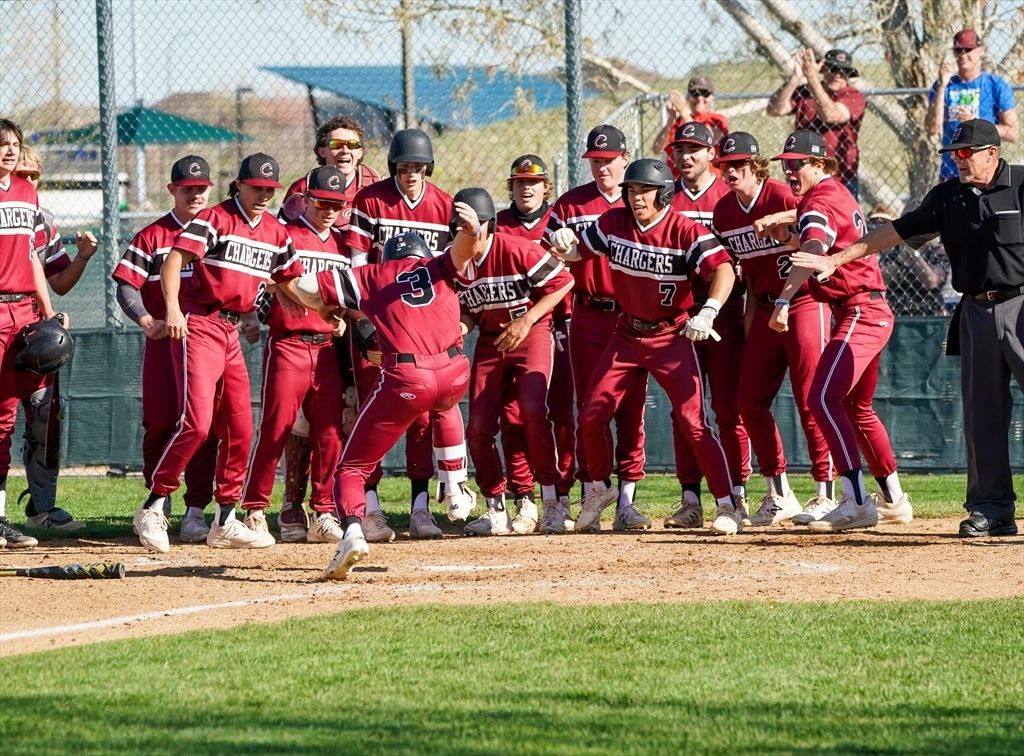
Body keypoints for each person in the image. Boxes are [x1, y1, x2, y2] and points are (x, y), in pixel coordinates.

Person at [795, 119, 1021, 537]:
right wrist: (835, 260)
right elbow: (893, 232)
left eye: (966, 153)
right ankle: (992, 509)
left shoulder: (1020, 183)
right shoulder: (948, 197)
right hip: (975, 311)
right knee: (982, 415)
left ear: (992, 153)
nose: (959, 160)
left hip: (1022, 305)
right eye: (954, 154)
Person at [551, 159, 745, 535]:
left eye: (645, 190)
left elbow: (724, 269)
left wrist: (708, 311)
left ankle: (727, 504)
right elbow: (579, 254)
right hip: (626, 334)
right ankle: (601, 490)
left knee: (693, 422)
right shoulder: (613, 222)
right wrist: (565, 246)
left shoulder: (684, 229)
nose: (636, 197)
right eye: (631, 190)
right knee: (591, 415)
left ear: (664, 194)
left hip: (671, 335)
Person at [132, 152, 305, 553]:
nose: (262, 195)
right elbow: (175, 260)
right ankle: (154, 505)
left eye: (269, 189)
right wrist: (173, 309)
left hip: (230, 330)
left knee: (241, 427)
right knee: (196, 422)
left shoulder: (277, 232)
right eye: (256, 187)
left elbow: (289, 281)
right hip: (201, 323)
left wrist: (327, 311)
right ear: (239, 185)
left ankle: (225, 519)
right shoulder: (216, 218)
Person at [293, 223, 479, 580]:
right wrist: (470, 229)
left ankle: (352, 532)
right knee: (445, 404)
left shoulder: (372, 273)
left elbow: (303, 285)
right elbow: (465, 249)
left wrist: (326, 309)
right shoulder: (438, 267)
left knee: (351, 468)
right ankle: (455, 486)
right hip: (455, 370)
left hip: (408, 375)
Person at [764, 130, 910, 532]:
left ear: (822, 166)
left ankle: (857, 501)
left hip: (860, 310)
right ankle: (893, 499)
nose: (790, 170)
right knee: (856, 408)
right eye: (785, 164)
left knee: (823, 398)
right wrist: (785, 219)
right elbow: (814, 221)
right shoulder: (838, 193)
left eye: (798, 164)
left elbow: (812, 246)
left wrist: (781, 300)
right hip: (869, 308)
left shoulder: (819, 203)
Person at [710, 131, 835, 526]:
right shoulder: (724, 213)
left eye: (740, 165)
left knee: (811, 398)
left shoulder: (782, 194)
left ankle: (827, 492)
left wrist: (782, 218)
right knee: (749, 401)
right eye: (726, 166)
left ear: (757, 166)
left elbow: (817, 217)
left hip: (803, 302)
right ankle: (779, 492)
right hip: (763, 307)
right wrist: (748, 317)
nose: (732, 172)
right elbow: (741, 272)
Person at [345, 128, 454, 538]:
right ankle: (369, 506)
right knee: (370, 418)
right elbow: (359, 270)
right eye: (404, 167)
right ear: (392, 167)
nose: (411, 174)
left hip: (423, 330)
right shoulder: (370, 200)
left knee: (422, 417)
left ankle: (419, 506)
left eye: (418, 167)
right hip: (380, 322)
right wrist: (365, 328)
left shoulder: (443, 204)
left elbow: (448, 274)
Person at [276, 115, 380, 539]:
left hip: (357, 309)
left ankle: (352, 505)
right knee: (301, 418)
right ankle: (290, 504)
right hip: (312, 310)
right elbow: (288, 251)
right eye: (335, 143)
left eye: (352, 145)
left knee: (351, 411)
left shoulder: (375, 186)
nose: (344, 151)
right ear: (321, 149)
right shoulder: (302, 189)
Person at [239, 166, 350, 544]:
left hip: (327, 350)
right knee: (276, 427)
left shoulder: (342, 242)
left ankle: (323, 510)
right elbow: (264, 275)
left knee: (330, 432)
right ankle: (254, 508)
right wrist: (287, 293)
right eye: (322, 202)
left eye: (336, 203)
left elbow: (348, 291)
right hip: (289, 344)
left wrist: (340, 317)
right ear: (305, 199)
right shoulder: (287, 234)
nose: (329, 209)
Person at [112, 156, 220, 544]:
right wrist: (144, 319)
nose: (195, 193)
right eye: (187, 188)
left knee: (205, 427)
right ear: (172, 189)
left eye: (201, 188)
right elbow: (126, 284)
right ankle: (159, 501)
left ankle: (196, 510)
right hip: (164, 342)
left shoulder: (220, 231)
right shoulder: (153, 235)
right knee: (160, 421)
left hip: (209, 340)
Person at [544, 124, 647, 532]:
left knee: (632, 408)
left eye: (609, 161)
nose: (602, 168)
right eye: (595, 162)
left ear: (625, 158)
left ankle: (628, 499)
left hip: (631, 315)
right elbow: (548, 240)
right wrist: (558, 240)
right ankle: (594, 488)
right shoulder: (572, 203)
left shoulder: (640, 202)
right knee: (590, 407)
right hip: (586, 313)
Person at [457, 187, 574, 536]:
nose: (464, 236)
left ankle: (552, 501)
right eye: (458, 229)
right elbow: (469, 315)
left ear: (488, 225)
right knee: (478, 425)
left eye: (471, 228)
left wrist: (527, 320)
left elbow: (562, 283)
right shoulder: (458, 261)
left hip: (532, 329)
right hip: (493, 340)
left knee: (533, 411)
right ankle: (498, 505)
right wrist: (455, 331)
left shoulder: (516, 248)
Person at [664, 121, 750, 525]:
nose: (686, 156)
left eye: (694, 149)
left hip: (724, 310)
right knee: (684, 411)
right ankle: (690, 498)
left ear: (711, 153)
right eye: (680, 149)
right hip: (680, 313)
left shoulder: (726, 196)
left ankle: (739, 492)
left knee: (729, 407)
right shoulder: (669, 199)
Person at [14, 144, 98, 531]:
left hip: (33, 328)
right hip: (5, 319)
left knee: (47, 413)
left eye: (34, 176)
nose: (27, 181)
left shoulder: (43, 220)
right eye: (21, 173)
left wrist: (82, 258)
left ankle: (42, 510)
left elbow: (58, 281)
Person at [493, 154, 575, 521]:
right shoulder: (497, 224)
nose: (527, 188)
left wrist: (569, 248)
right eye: (520, 183)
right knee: (511, 415)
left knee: (557, 412)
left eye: (534, 182)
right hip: (506, 329)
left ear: (546, 187)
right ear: (511, 187)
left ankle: (560, 494)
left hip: (555, 325)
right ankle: (523, 495)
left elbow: (573, 271)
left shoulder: (558, 221)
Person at [0, 118, 58, 549]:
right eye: (2, 145)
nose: (9, 151)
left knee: (35, 411)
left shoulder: (26, 192)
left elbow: (33, 258)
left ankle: (37, 507)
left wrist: (50, 313)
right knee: (1, 415)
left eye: (15, 145)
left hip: (25, 313)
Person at [766, 48, 866, 198]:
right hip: (803, 175)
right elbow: (774, 110)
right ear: (823, 69)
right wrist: (796, 77)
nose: (838, 75)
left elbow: (831, 115)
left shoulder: (853, 95)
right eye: (833, 69)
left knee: (837, 221)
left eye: (844, 71)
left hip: (839, 178)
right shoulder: (806, 91)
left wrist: (811, 77)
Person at [927, 29, 1018, 181]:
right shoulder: (944, 86)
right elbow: (931, 128)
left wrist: (977, 123)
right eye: (958, 51)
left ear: (980, 51)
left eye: (968, 49)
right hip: (951, 171)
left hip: (984, 174)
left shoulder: (995, 85)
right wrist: (942, 86)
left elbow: (1013, 133)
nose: (963, 55)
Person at [869, 206, 949, 317]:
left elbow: (932, 282)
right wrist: (898, 261)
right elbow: (880, 280)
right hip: (896, 314)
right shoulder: (892, 252)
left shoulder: (936, 252)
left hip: (930, 315)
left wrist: (913, 255)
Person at [650, 76, 730, 180]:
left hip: (708, 182)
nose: (700, 98)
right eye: (695, 93)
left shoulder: (717, 120)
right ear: (688, 97)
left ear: (711, 97)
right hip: (678, 183)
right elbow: (656, 149)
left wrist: (683, 111)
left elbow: (706, 139)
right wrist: (671, 119)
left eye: (705, 93)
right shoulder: (678, 122)